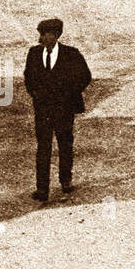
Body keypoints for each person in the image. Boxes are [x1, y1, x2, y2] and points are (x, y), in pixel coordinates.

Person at [23, 18, 92, 203]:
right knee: (43, 147)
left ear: (55, 35)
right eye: (41, 34)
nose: (41, 39)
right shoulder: (34, 53)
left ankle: (66, 180)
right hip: (43, 110)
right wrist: (36, 94)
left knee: (65, 144)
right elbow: (28, 77)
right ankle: (42, 188)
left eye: (45, 35)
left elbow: (85, 76)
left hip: (64, 109)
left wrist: (69, 94)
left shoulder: (71, 54)